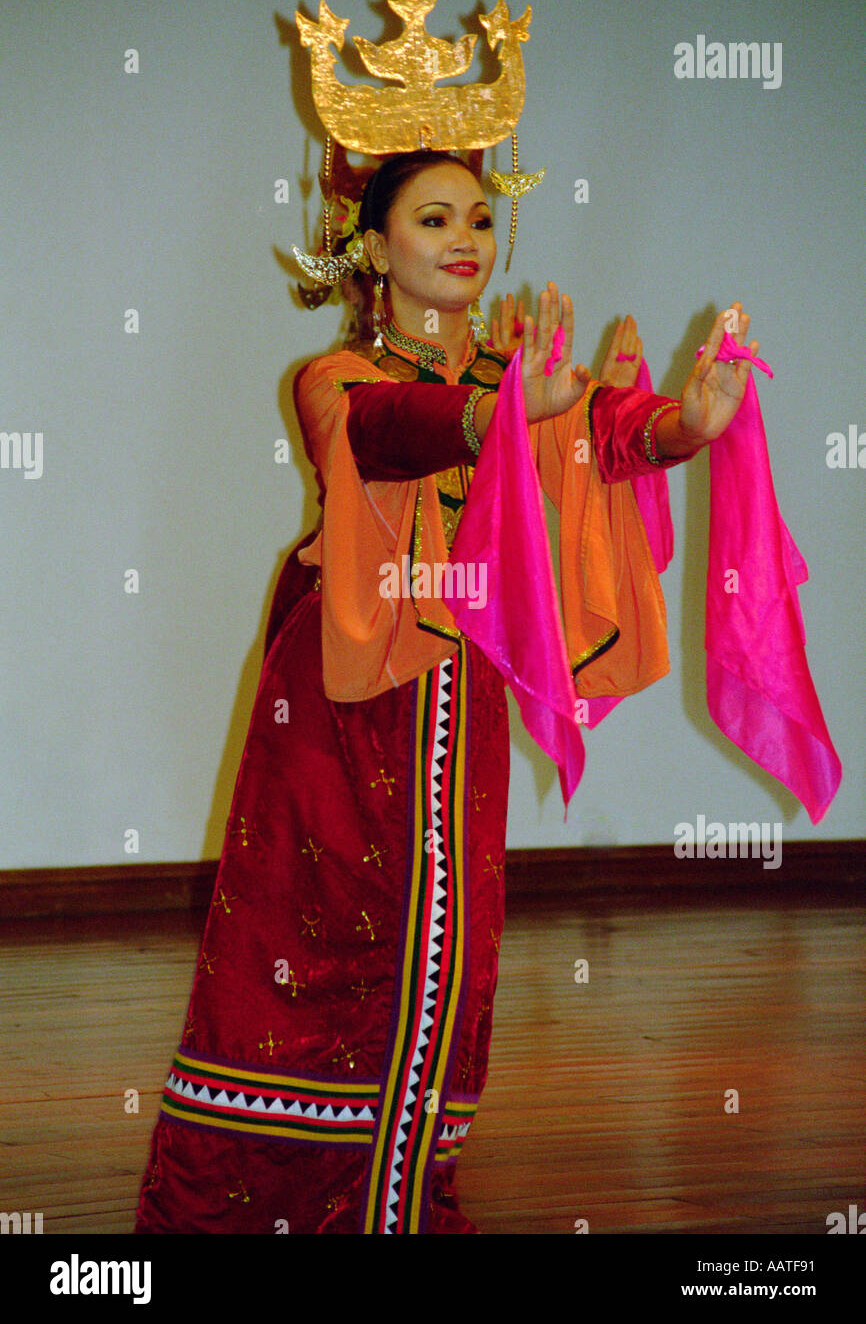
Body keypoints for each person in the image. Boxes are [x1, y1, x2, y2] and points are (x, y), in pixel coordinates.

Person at [134, 149, 758, 1235]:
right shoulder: (333, 380)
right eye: (432, 219)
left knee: (451, 950)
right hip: (339, 700)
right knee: (314, 942)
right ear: (374, 249)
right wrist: (501, 413)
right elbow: (384, 433)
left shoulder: (518, 375)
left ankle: (407, 1195)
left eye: (477, 216)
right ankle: (252, 1202)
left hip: (455, 694)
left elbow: (598, 430)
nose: (465, 238)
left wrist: (686, 427)